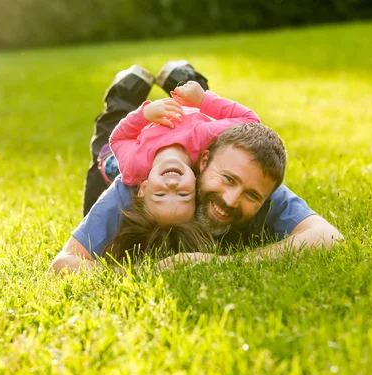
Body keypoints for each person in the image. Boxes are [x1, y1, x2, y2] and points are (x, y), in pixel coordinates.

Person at [50, 61, 342, 273]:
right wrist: (142, 274)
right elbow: (64, 264)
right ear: (204, 161)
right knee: (106, 157)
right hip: (137, 152)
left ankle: (185, 82)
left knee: (205, 120)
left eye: (252, 196)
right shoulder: (142, 186)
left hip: (197, 136)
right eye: (227, 179)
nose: (230, 200)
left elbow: (330, 238)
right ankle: (124, 96)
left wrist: (222, 263)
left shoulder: (255, 179)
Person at [104, 76, 261, 261]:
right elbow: (251, 121)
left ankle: (130, 80)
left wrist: (143, 115)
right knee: (189, 88)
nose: (172, 184)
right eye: (183, 195)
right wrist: (203, 100)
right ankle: (180, 73)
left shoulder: (134, 165)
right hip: (190, 108)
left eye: (160, 195)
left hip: (125, 155)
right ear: (196, 185)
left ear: (144, 188)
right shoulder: (205, 141)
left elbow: (118, 139)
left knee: (109, 165)